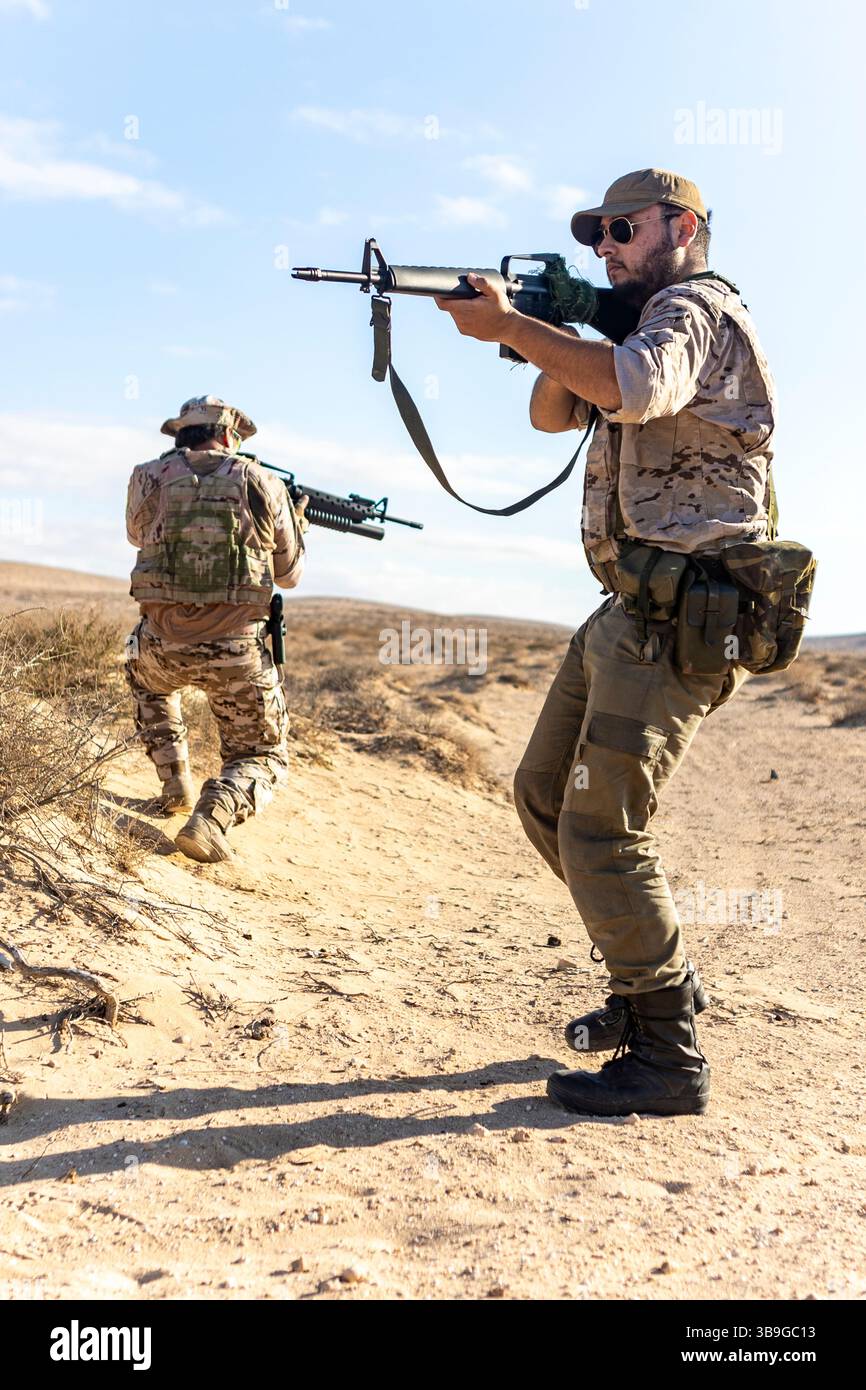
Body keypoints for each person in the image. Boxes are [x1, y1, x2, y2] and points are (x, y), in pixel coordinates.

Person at [434, 168, 775, 1117]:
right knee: (545, 797)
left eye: (622, 230)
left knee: (600, 828)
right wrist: (563, 327)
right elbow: (555, 411)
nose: (606, 247)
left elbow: (629, 388)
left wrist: (514, 325)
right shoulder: (636, 326)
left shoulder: (694, 313)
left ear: (684, 226)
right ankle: (649, 979)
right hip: (626, 608)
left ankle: (668, 1053)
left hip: (683, 616)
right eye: (596, 238)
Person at [124, 395, 308, 863]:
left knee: (145, 681)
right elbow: (289, 575)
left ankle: (175, 788)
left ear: (181, 434)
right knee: (263, 754)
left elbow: (136, 534)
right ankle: (210, 818)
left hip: (161, 646)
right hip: (235, 652)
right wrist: (296, 523)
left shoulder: (146, 476)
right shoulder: (262, 481)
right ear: (229, 435)